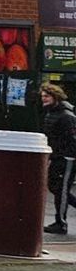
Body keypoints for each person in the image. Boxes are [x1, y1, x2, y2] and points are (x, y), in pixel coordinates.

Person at [42, 83, 76, 235]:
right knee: (55, 187)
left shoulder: (67, 116)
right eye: (42, 96)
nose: (44, 99)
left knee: (61, 190)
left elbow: (72, 139)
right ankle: (60, 222)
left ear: (55, 97)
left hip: (67, 158)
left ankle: (61, 224)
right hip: (57, 156)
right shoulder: (51, 113)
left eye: (47, 96)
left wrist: (66, 155)